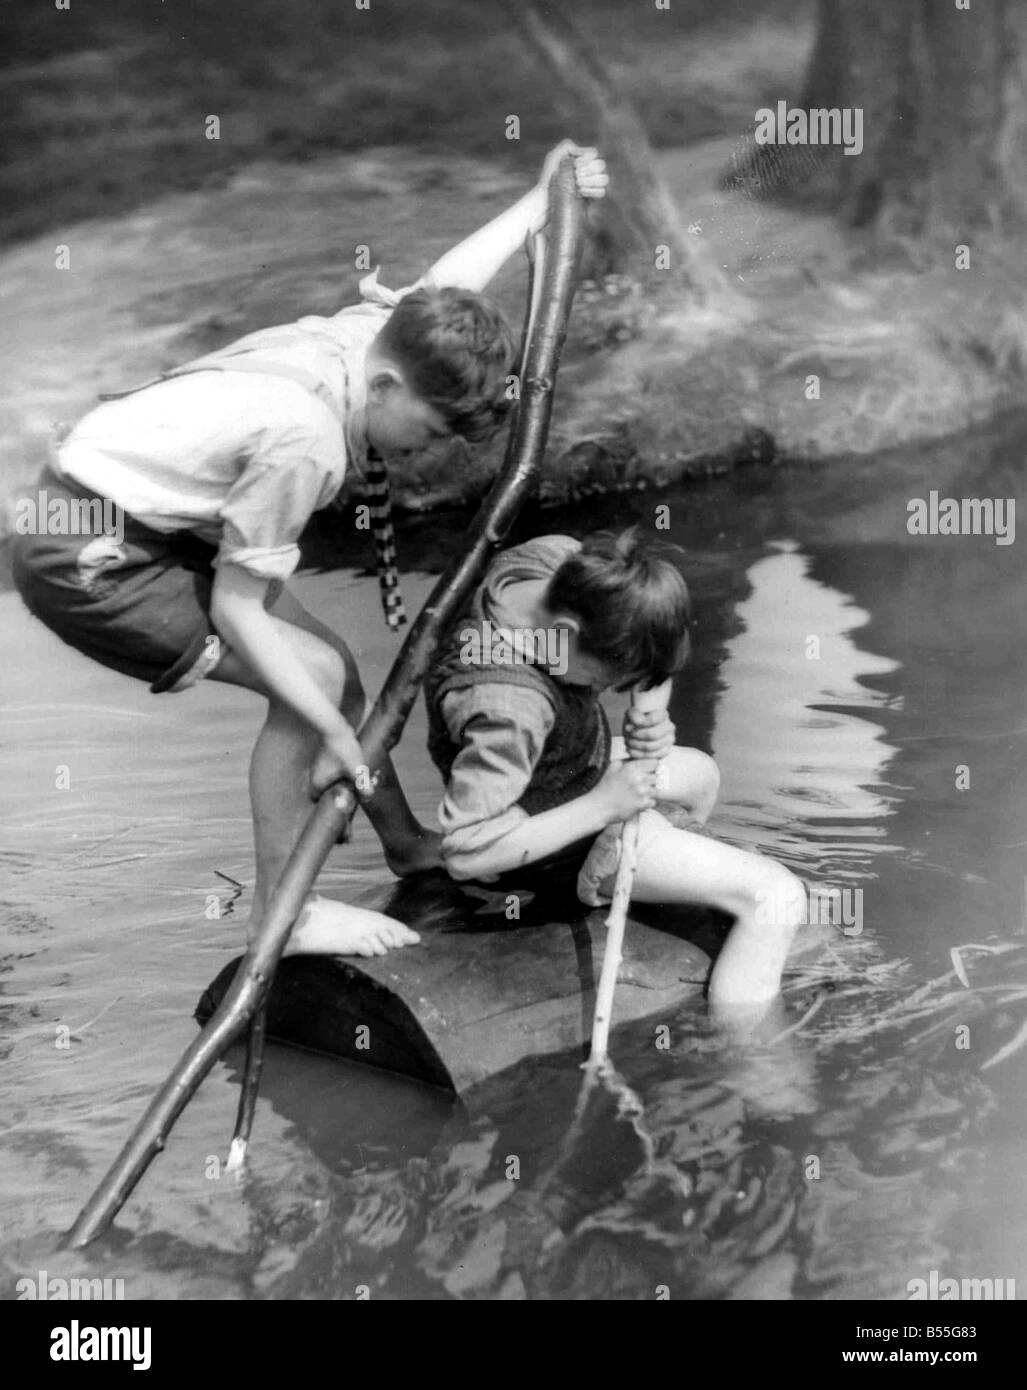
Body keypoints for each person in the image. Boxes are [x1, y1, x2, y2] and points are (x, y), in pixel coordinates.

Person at [12, 141, 609, 959]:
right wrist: (329, 731)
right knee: (315, 687)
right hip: (88, 553)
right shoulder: (308, 442)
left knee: (333, 667)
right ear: (392, 390)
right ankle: (283, 912)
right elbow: (236, 606)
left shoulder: (370, 343)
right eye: (428, 432)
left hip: (129, 512)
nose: (420, 452)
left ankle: (404, 846)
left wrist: (538, 204)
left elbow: (447, 287)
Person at [424, 530, 808, 1010]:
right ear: (565, 634)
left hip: (573, 768)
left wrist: (650, 717)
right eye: (611, 680)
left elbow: (652, 650)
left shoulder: (553, 563)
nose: (612, 690)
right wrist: (601, 806)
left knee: (702, 773)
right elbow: (465, 852)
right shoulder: (508, 711)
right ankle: (746, 1056)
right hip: (558, 844)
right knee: (777, 898)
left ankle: (672, 879)